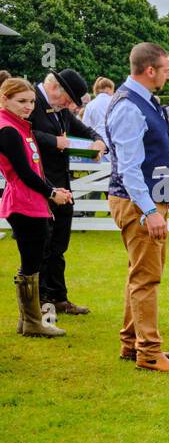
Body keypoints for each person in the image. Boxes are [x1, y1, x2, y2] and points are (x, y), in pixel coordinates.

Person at [105, 42, 169, 372]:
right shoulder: (129, 106)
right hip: (136, 203)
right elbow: (129, 166)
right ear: (149, 70)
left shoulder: (143, 102)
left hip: (148, 200)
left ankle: (131, 343)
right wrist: (150, 211)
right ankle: (149, 351)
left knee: (138, 274)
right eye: (166, 69)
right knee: (147, 279)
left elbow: (156, 156)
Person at [1, 77, 75, 337]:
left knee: (32, 261)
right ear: (4, 99)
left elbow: (34, 170)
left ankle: (28, 320)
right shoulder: (8, 129)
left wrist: (52, 190)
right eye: (21, 101)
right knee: (32, 262)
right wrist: (52, 192)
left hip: (31, 201)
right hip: (24, 203)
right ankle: (32, 321)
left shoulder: (19, 127)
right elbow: (23, 173)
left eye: (31, 101)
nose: (28, 106)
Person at [30, 68, 105, 317]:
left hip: (63, 185)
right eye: (69, 100)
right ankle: (41, 301)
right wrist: (54, 141)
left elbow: (84, 129)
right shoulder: (31, 100)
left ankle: (59, 297)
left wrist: (97, 141)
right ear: (55, 88)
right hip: (40, 184)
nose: (70, 106)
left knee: (59, 245)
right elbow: (18, 132)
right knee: (43, 245)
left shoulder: (60, 110)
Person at [81, 78, 115, 147]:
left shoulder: (90, 105)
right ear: (108, 89)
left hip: (98, 142)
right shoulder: (116, 102)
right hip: (114, 141)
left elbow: (85, 126)